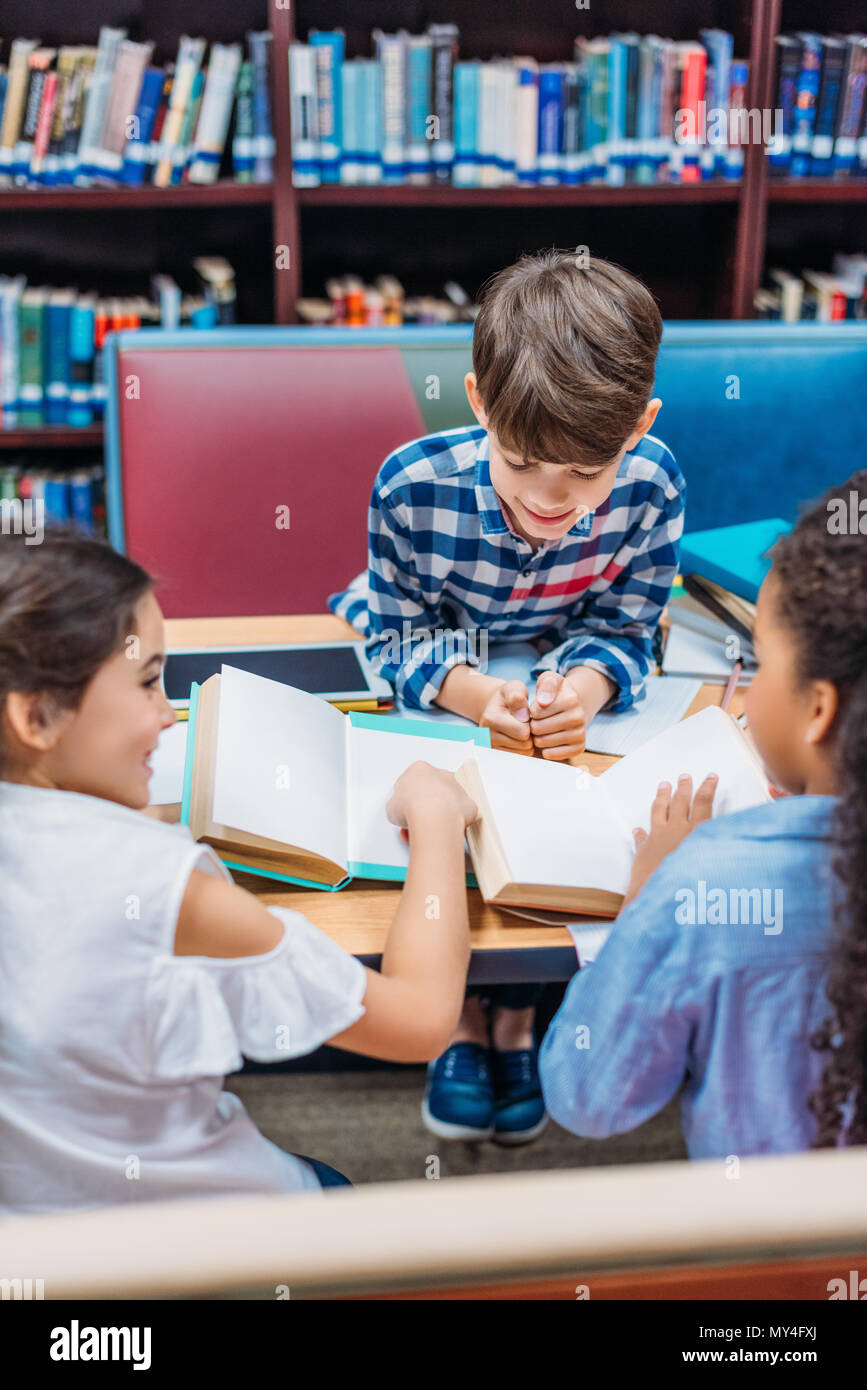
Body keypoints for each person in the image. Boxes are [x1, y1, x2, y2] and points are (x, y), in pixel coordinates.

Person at [0, 528, 476, 1214]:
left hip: (46, 1244)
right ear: (36, 715)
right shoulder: (169, 888)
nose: (168, 714)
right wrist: (435, 819)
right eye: (145, 682)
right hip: (213, 1244)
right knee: (332, 1193)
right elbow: (422, 1019)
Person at [329, 250, 684, 1142]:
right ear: (480, 403)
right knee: (431, 811)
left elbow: (632, 624)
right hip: (448, 670)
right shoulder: (412, 485)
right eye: (523, 465)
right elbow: (399, 633)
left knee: (571, 822)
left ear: (638, 426)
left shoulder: (652, 483)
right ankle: (455, 1017)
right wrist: (475, 692)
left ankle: (517, 1019)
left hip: (560, 668)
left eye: (583, 477)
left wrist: (592, 684)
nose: (548, 502)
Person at [539, 470, 867, 1157]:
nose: (743, 688)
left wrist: (645, 897)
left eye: (759, 659)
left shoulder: (705, 885)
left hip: (759, 1255)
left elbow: (587, 1097)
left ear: (818, 710)